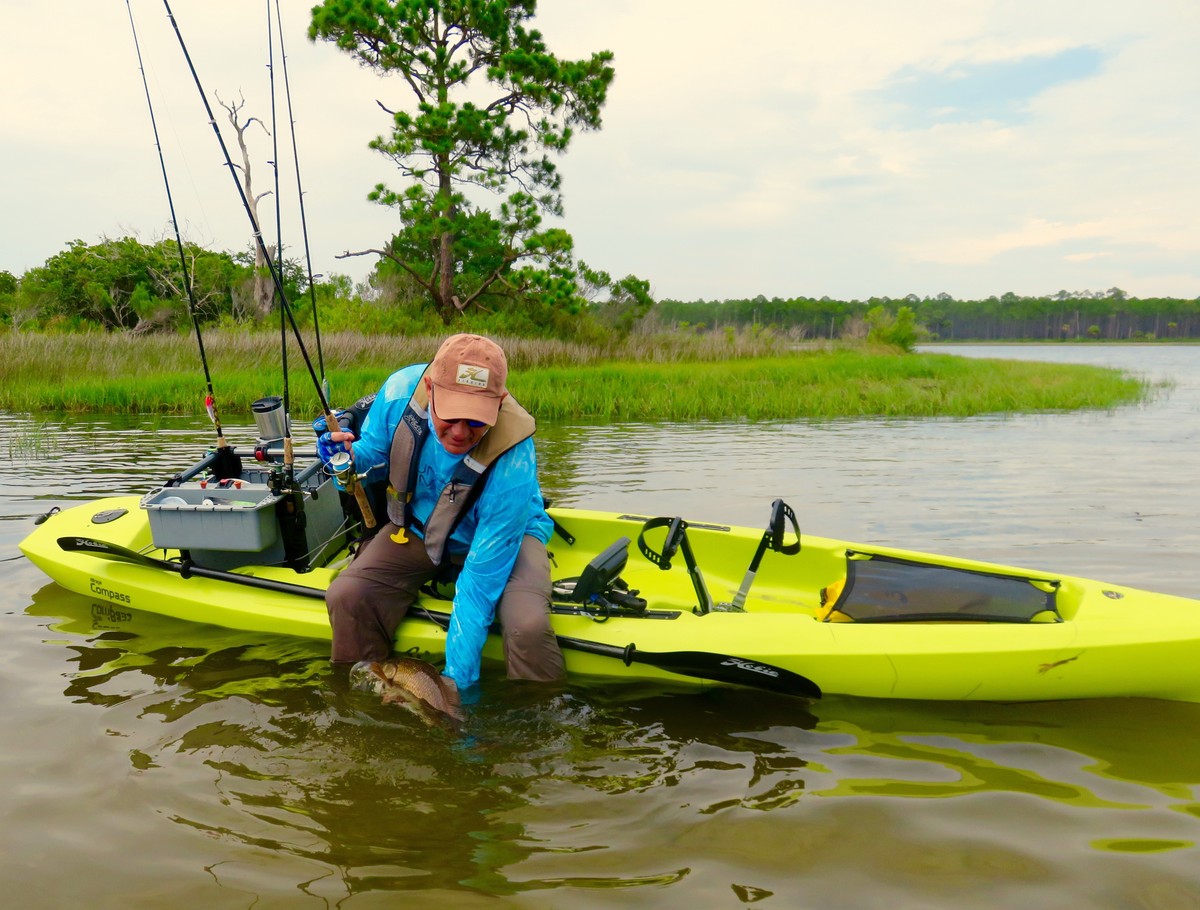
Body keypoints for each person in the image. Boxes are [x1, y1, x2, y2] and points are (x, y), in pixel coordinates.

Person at [319, 333, 566, 695]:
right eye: (450, 416)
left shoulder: (515, 455)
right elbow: (371, 453)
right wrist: (345, 459)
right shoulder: (400, 392)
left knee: (525, 625)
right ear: (431, 388)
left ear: (499, 402)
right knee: (348, 596)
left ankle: (539, 723)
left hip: (502, 537)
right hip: (421, 527)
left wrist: (452, 693)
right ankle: (364, 703)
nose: (461, 432)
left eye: (477, 420)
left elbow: (478, 589)